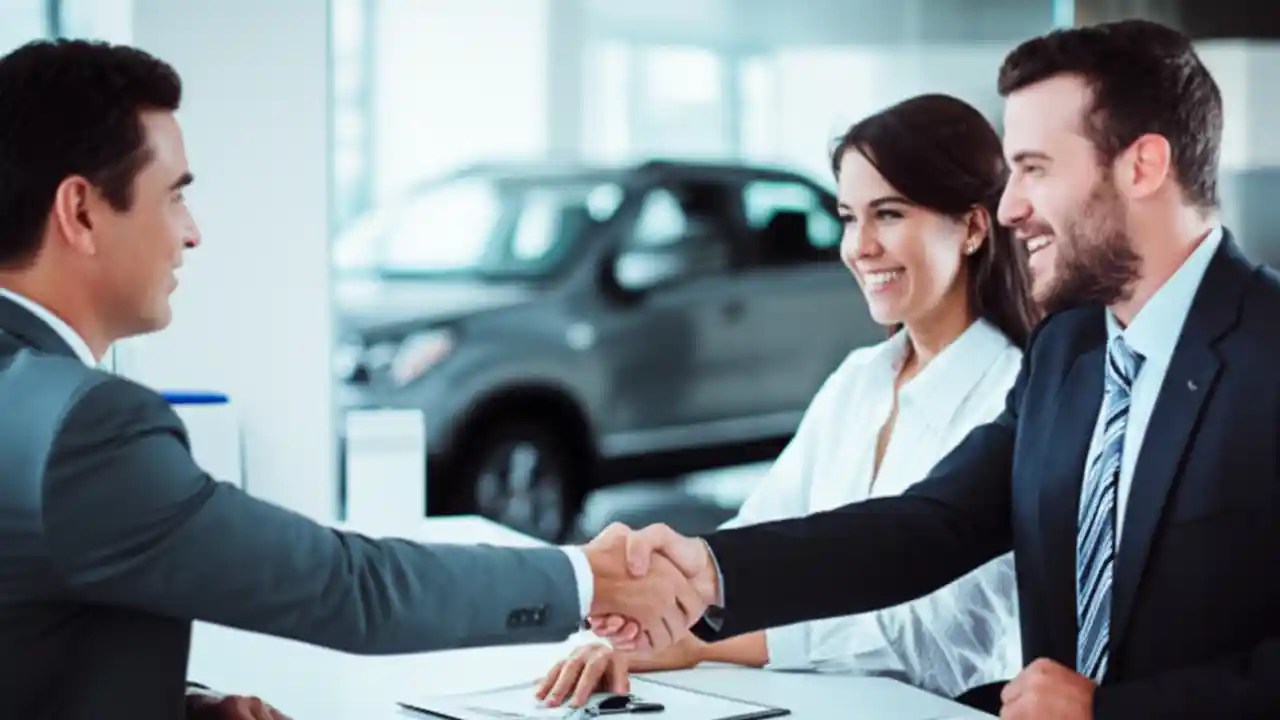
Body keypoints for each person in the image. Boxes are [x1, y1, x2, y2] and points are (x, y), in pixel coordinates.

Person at [0, 40, 705, 720]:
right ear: (82, 212)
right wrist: (588, 578)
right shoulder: (85, 427)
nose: (192, 233)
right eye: (174, 196)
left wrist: (172, 704)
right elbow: (346, 585)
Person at [596, 19, 1280, 719]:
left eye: (1036, 169)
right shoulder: (1069, 350)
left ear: (1142, 166)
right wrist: (708, 570)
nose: (1011, 207)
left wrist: (1110, 712)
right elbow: (927, 528)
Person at [534, 94, 1039, 710]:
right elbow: (760, 538)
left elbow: (937, 640)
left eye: (888, 214)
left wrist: (701, 639)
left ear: (972, 228)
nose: (860, 246)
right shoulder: (859, 379)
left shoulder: (1016, 397)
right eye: (849, 217)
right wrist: (659, 617)